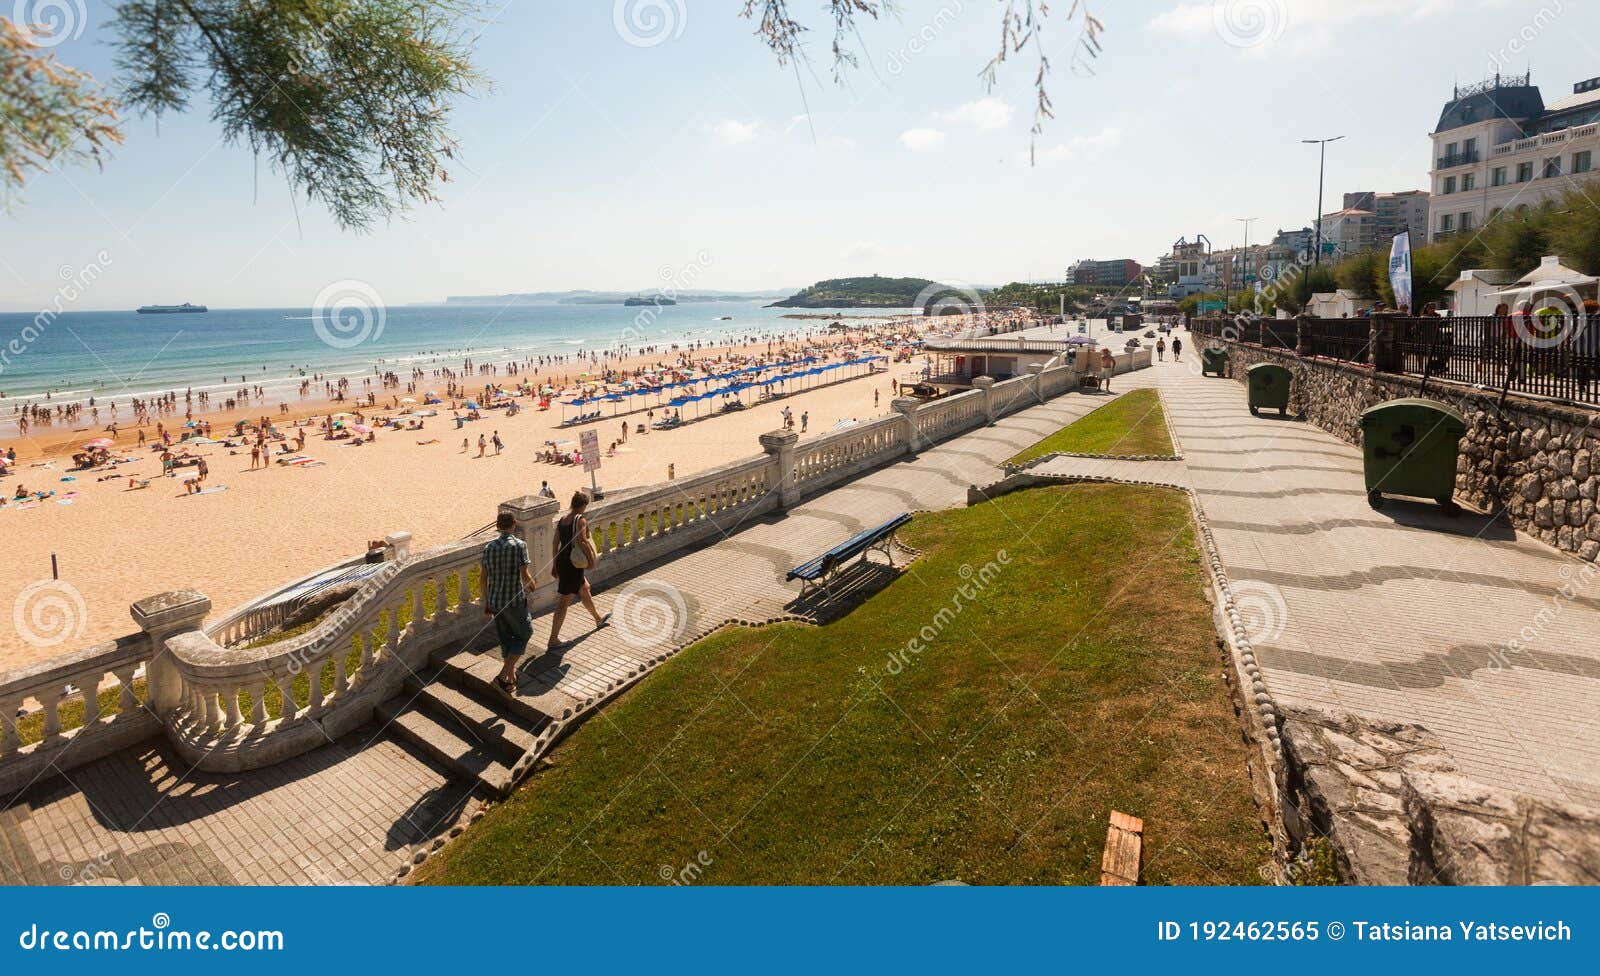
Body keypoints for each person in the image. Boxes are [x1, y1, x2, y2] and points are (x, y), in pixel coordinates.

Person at [482, 511, 536, 696]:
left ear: (498, 525)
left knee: (506, 639)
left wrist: (486, 602)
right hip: (514, 601)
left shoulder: (489, 547)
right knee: (525, 633)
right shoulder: (519, 545)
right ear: (513, 524)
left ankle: (510, 680)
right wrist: (532, 584)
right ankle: (501, 677)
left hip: (496, 601)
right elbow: (524, 574)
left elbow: (483, 578)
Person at [548, 491, 609, 651]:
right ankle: (553, 639)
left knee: (584, 588)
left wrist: (554, 565)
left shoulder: (562, 520)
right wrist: (591, 560)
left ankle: (598, 618)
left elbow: (555, 544)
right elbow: (582, 540)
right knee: (564, 603)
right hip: (572, 564)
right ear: (583, 505)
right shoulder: (580, 519)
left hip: (563, 561)